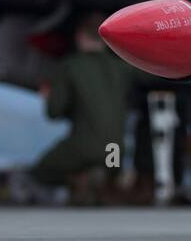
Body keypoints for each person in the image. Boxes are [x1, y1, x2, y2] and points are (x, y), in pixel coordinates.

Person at [30, 12, 137, 204]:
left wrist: (49, 96)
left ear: (79, 36)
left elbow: (54, 112)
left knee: (40, 172)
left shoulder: (71, 66)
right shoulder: (122, 68)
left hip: (83, 149)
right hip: (115, 152)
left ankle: (81, 178)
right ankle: (104, 177)